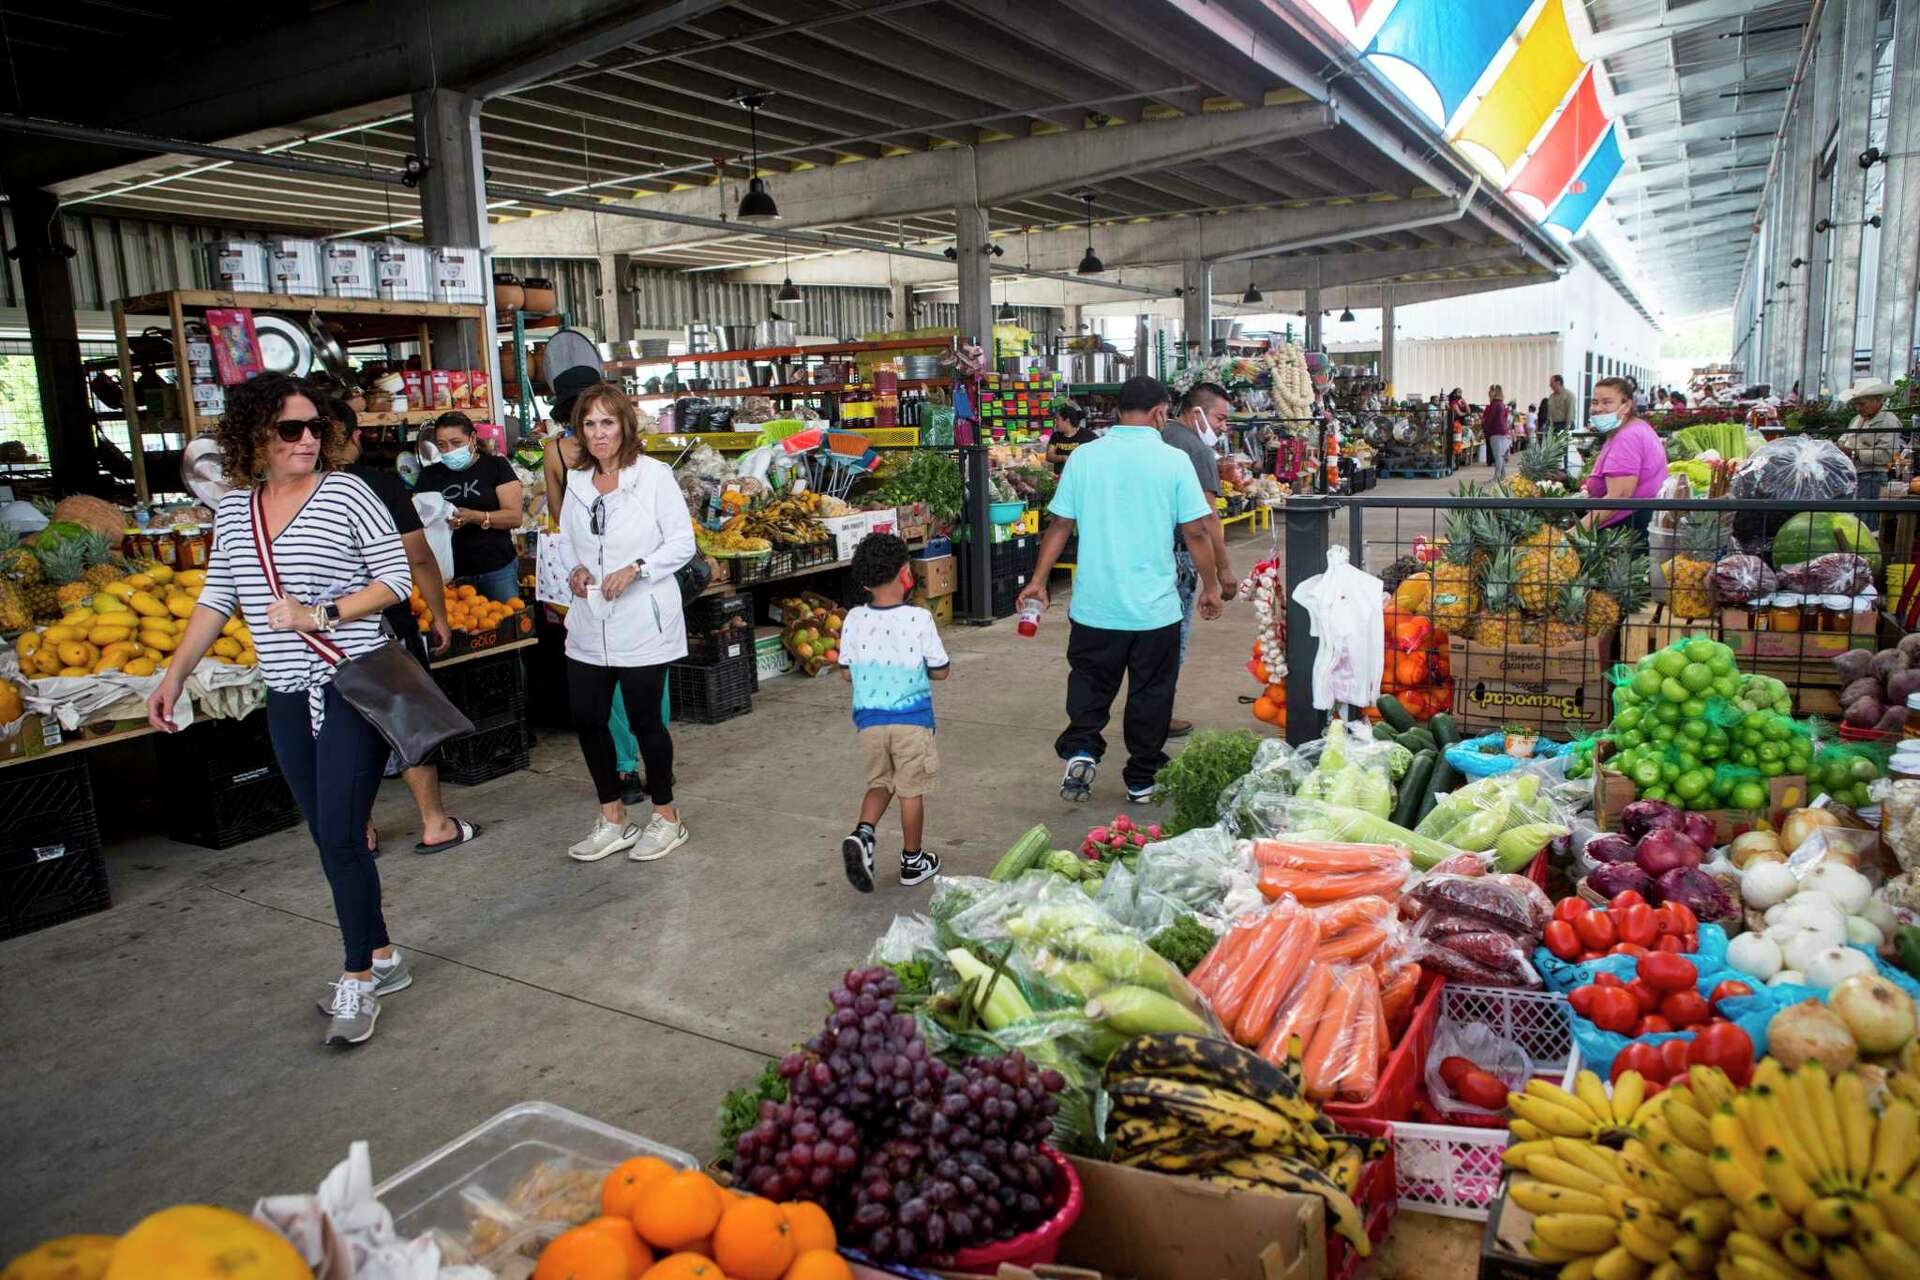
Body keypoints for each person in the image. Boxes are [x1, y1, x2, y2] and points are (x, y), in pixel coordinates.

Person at [146, 373, 413, 1047]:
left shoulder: (346, 492)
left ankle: (356, 978)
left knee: (345, 834)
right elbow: (217, 599)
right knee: (327, 836)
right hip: (288, 695)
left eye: (316, 428)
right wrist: (174, 676)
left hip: (351, 686)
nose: (307, 440)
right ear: (254, 436)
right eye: (291, 429)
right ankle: (382, 954)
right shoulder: (235, 511)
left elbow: (395, 581)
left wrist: (318, 612)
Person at [1017, 376, 1222, 805]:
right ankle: (1141, 778)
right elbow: (1197, 532)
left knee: (1090, 684)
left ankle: (1082, 749)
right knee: (1151, 692)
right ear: (1160, 414)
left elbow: (1060, 525)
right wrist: (1211, 585)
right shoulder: (1173, 461)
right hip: (1154, 611)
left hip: (1095, 606)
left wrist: (1038, 581)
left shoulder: (1085, 458)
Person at [325, 395, 479, 857]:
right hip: (383, 626)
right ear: (354, 437)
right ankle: (435, 823)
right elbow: (417, 556)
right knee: (409, 719)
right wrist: (439, 614)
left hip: (320, 636)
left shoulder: (286, 494)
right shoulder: (379, 485)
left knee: (342, 731)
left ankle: (362, 829)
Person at [557, 383, 695, 864]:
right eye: (589, 424)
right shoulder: (576, 482)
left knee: (645, 722)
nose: (598, 434)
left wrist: (637, 567)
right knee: (589, 721)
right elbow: (567, 540)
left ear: (625, 426)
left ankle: (665, 817)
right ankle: (613, 818)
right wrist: (575, 569)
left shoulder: (653, 477)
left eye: (607, 423)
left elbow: (682, 544)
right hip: (590, 622)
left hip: (642, 619)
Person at [540, 366, 648, 805]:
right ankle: (652, 759)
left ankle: (626, 768)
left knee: (604, 669)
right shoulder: (627, 451)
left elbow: (557, 514)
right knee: (637, 669)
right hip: (625, 568)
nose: (598, 429)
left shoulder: (556, 451)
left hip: (582, 572)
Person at [836, 532, 950, 893]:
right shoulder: (918, 619)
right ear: (906, 574)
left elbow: (844, 670)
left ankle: (863, 834)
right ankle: (912, 861)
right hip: (911, 722)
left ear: (864, 580)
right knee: (910, 790)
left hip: (869, 722)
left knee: (879, 783)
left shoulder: (854, 618)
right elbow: (941, 669)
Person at [1164, 382, 1240, 735]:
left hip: (1148, 551)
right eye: (1220, 418)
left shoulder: (1160, 437)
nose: (1224, 426)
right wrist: (1221, 572)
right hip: (1179, 554)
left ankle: (1148, 709)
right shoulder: (1195, 449)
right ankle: (1159, 714)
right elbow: (1206, 519)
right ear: (1197, 413)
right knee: (1173, 639)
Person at [415, 411, 523, 603]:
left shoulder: (496, 467)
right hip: (451, 575)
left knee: (507, 623)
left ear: (473, 438)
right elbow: (418, 520)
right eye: (442, 445)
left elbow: (514, 517)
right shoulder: (429, 476)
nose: (448, 450)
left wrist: (475, 516)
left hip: (496, 569)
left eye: (456, 443)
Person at [1576, 376, 1668, 541]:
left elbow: (1617, 497)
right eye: (1595, 402)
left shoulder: (1627, 438)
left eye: (1607, 402)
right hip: (1633, 527)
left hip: (1626, 531)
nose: (1598, 408)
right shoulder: (1634, 427)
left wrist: (1573, 533)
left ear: (1626, 405)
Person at [1840, 381, 1901, 472]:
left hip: (1872, 474)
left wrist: (1855, 453)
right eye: (1855, 404)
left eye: (1861, 404)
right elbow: (1844, 439)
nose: (1858, 408)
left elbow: (1886, 455)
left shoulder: (1889, 421)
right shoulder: (1857, 419)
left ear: (1877, 400)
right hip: (1852, 471)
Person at [1045, 400, 1095, 474]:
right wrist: (1063, 458)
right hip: (1060, 477)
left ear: (1067, 421)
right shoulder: (1056, 436)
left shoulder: (1088, 436)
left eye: (1058, 419)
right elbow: (1049, 456)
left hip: (1081, 475)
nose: (1055, 422)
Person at [1483, 385, 1512, 480]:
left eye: (1490, 391)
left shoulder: (1495, 404)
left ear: (1494, 393)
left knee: (1498, 456)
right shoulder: (1501, 404)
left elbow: (1490, 419)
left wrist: (1485, 428)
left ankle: (1496, 476)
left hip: (1495, 431)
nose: (1488, 393)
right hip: (1502, 431)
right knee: (1500, 456)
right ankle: (1503, 476)